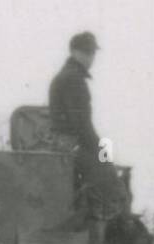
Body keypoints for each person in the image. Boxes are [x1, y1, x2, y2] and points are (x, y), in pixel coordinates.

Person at [48, 31, 130, 221]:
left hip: (65, 144)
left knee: (103, 180)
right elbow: (82, 125)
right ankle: (103, 242)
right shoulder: (73, 79)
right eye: (90, 52)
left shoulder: (66, 76)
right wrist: (102, 152)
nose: (92, 58)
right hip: (72, 145)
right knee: (114, 186)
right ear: (79, 53)